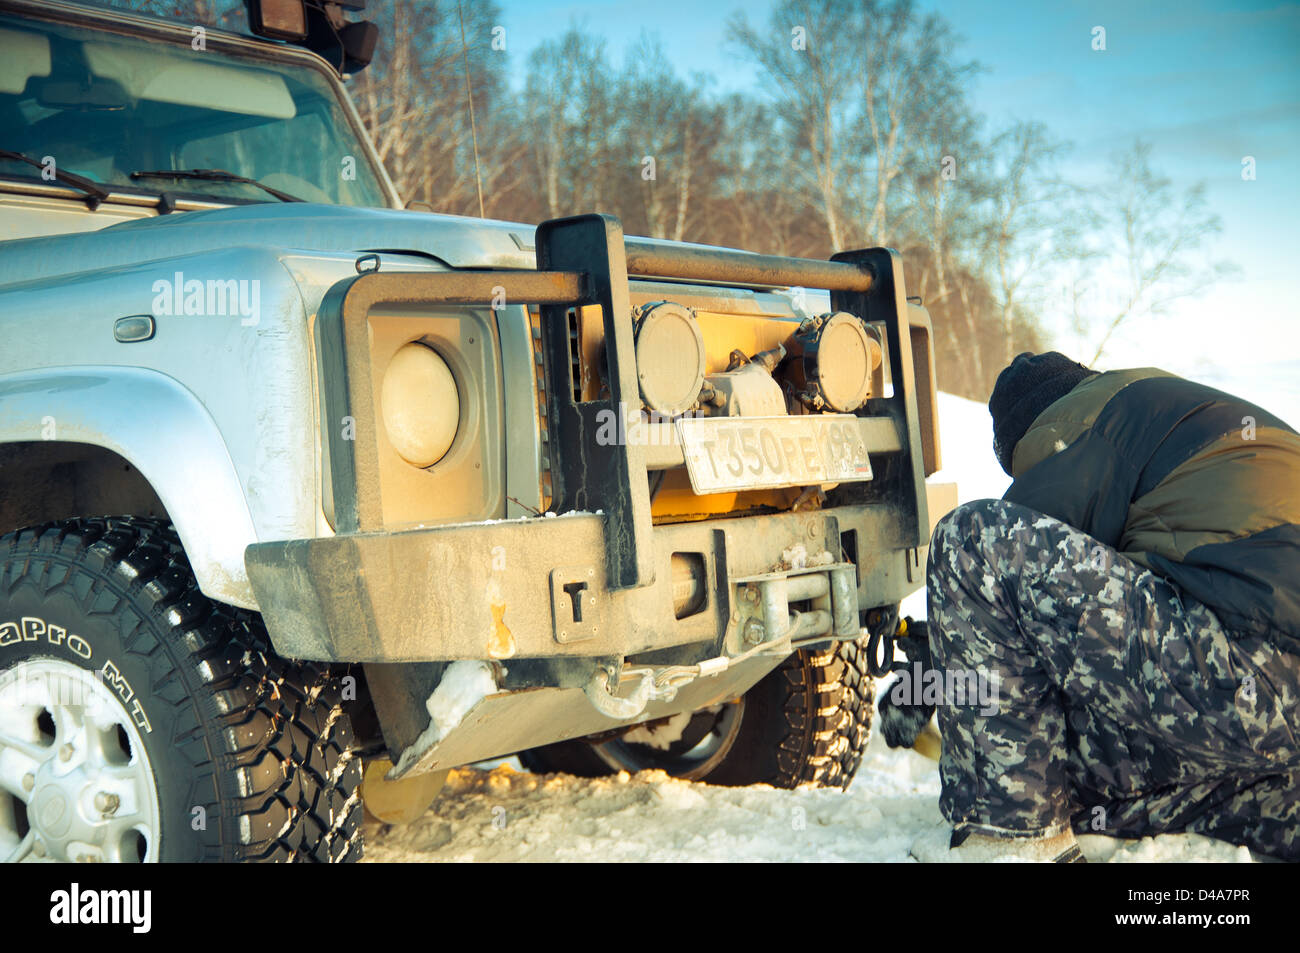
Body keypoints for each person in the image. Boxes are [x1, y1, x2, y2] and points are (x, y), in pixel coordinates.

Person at [884, 352, 1300, 862]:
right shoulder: (1169, 411)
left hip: (1241, 660)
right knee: (1069, 777)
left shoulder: (1078, 422)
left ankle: (1012, 840)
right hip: (1271, 707)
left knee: (969, 539)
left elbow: (1001, 578)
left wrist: (935, 678)